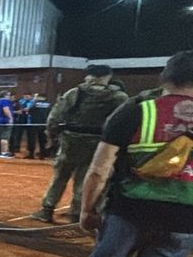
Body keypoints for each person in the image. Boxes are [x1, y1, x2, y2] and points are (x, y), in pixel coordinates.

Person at [69, 51, 193, 257]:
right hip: (184, 221)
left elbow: (99, 168)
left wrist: (88, 210)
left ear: (165, 77)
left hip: (129, 209)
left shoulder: (137, 109)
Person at [30, 65, 128, 223]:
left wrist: (52, 135)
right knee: (84, 178)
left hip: (70, 141)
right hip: (98, 143)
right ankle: (76, 213)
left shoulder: (74, 93)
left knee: (60, 176)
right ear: (107, 77)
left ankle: (47, 209)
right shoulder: (119, 97)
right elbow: (120, 123)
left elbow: (55, 117)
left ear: (89, 76)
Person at [25, 93, 51, 159]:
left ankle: (31, 154)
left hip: (34, 123)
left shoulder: (35, 103)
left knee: (32, 139)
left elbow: (29, 111)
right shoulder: (49, 104)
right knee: (42, 140)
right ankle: (42, 155)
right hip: (44, 124)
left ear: (39, 97)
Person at [0, 91, 15, 157]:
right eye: (8, 95)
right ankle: (4, 152)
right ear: (5, 95)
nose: (9, 96)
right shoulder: (5, 101)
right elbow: (6, 110)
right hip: (5, 121)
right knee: (5, 137)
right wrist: (10, 118)